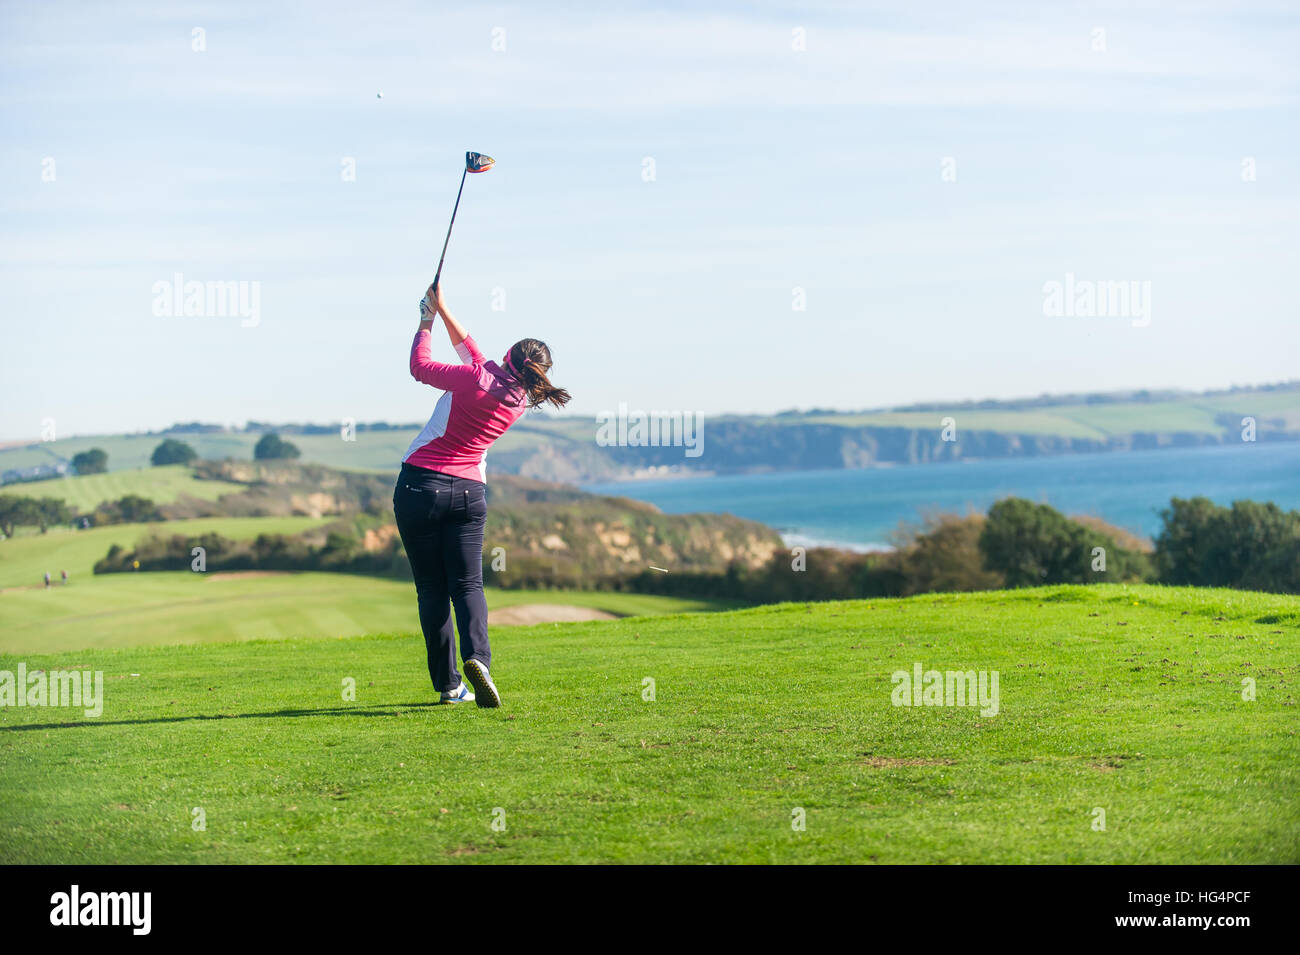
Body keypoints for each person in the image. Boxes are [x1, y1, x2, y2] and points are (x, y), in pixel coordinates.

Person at [394, 281, 570, 707]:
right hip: (469, 494)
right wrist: (443, 309)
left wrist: (424, 321)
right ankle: (480, 661)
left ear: (507, 357)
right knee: (468, 584)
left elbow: (420, 367)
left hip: (420, 486)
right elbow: (471, 350)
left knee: (431, 590)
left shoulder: (476, 376)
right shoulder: (515, 397)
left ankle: (450, 686)